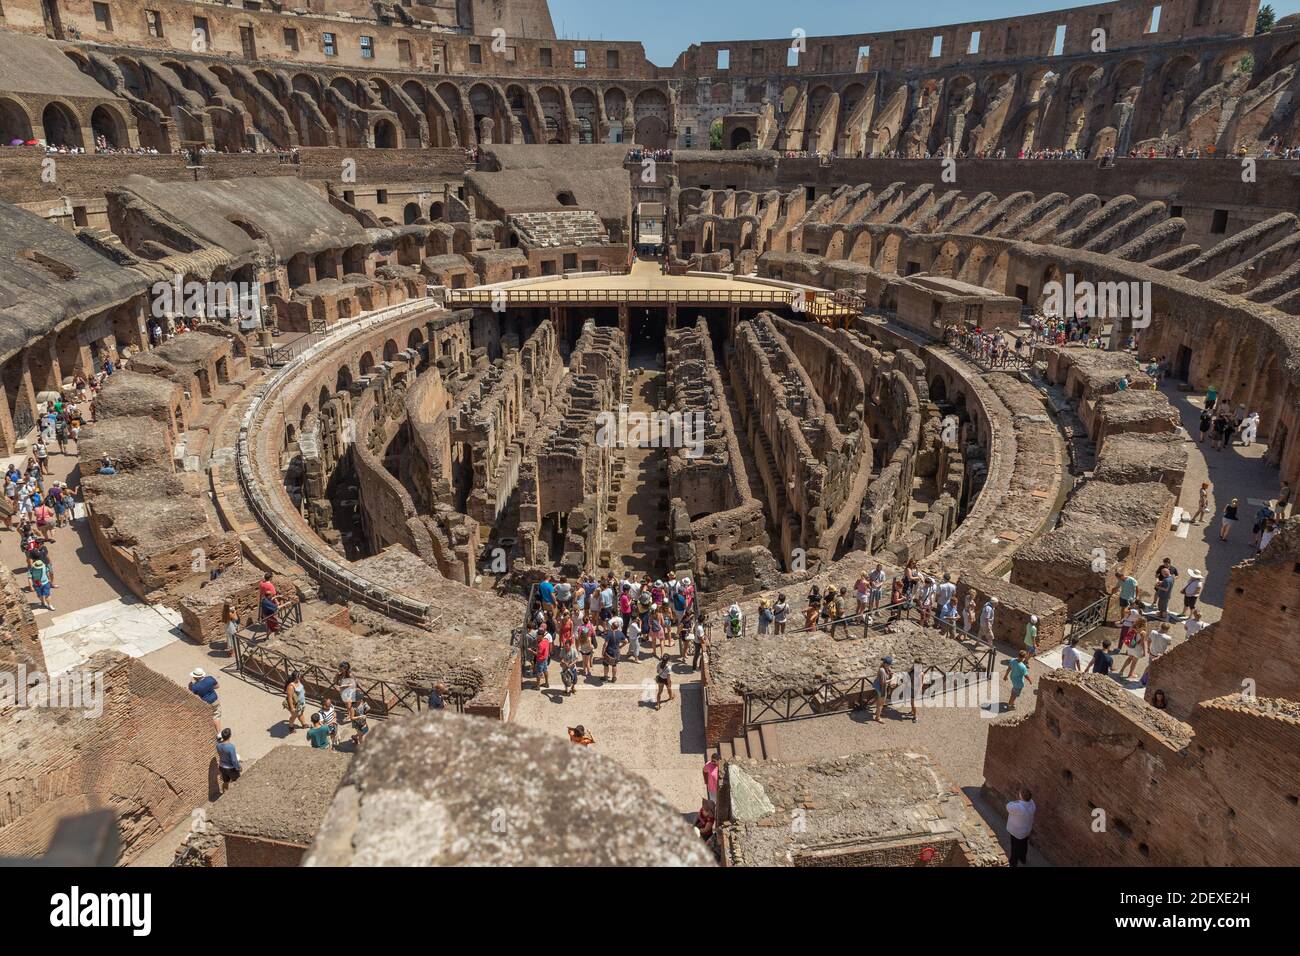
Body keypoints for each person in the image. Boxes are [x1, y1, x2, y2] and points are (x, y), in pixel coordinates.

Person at [1006, 788, 1036, 868]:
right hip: (1026, 830)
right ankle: (1023, 859)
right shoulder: (1032, 804)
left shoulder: (1018, 807)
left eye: (1019, 795)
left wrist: (1017, 801)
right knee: (1024, 845)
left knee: (1015, 848)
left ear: (1021, 798)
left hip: (1016, 832)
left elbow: (1008, 806)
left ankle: (1013, 863)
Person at [188, 667, 220, 734]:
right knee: (216, 716)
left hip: (205, 703)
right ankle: (219, 733)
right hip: (215, 701)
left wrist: (191, 683)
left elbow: (192, 691)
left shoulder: (195, 686)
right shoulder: (210, 679)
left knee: (207, 717)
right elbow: (217, 686)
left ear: (195, 677)